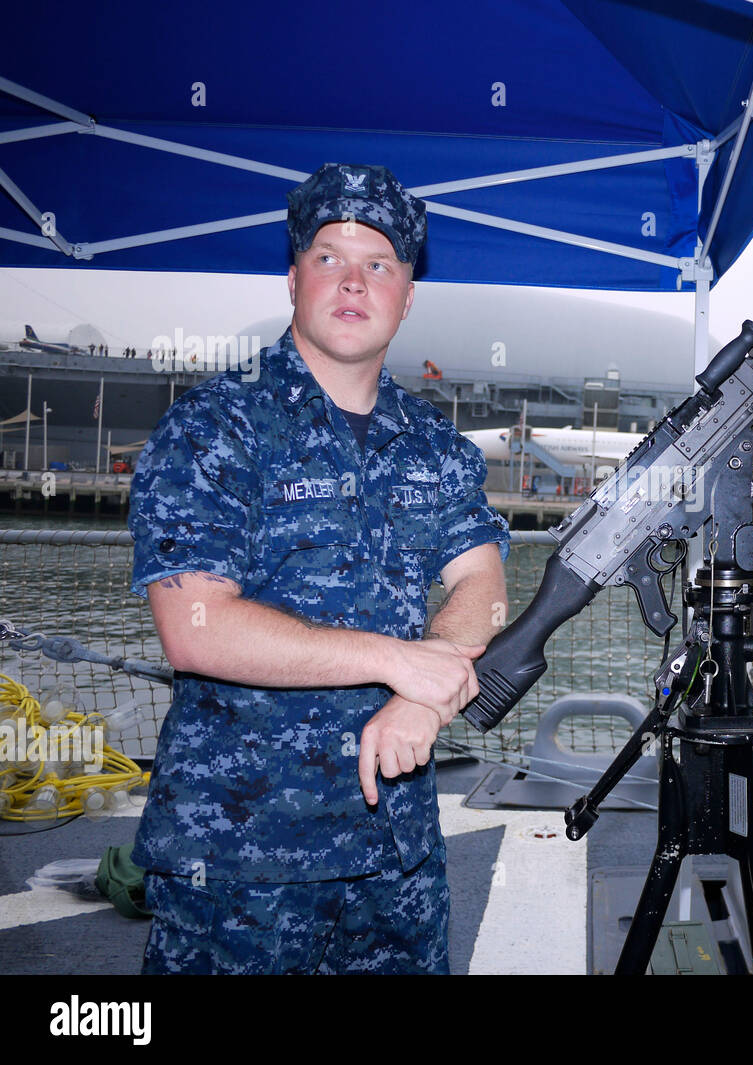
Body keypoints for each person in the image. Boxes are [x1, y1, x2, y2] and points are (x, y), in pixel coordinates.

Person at [128, 162, 510, 974]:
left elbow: (481, 583)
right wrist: (395, 659)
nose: (352, 280)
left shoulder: (435, 444)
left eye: (379, 263)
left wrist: (421, 698)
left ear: (407, 297)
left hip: (395, 860)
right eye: (329, 255)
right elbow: (194, 626)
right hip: (239, 870)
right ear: (294, 275)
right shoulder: (214, 426)